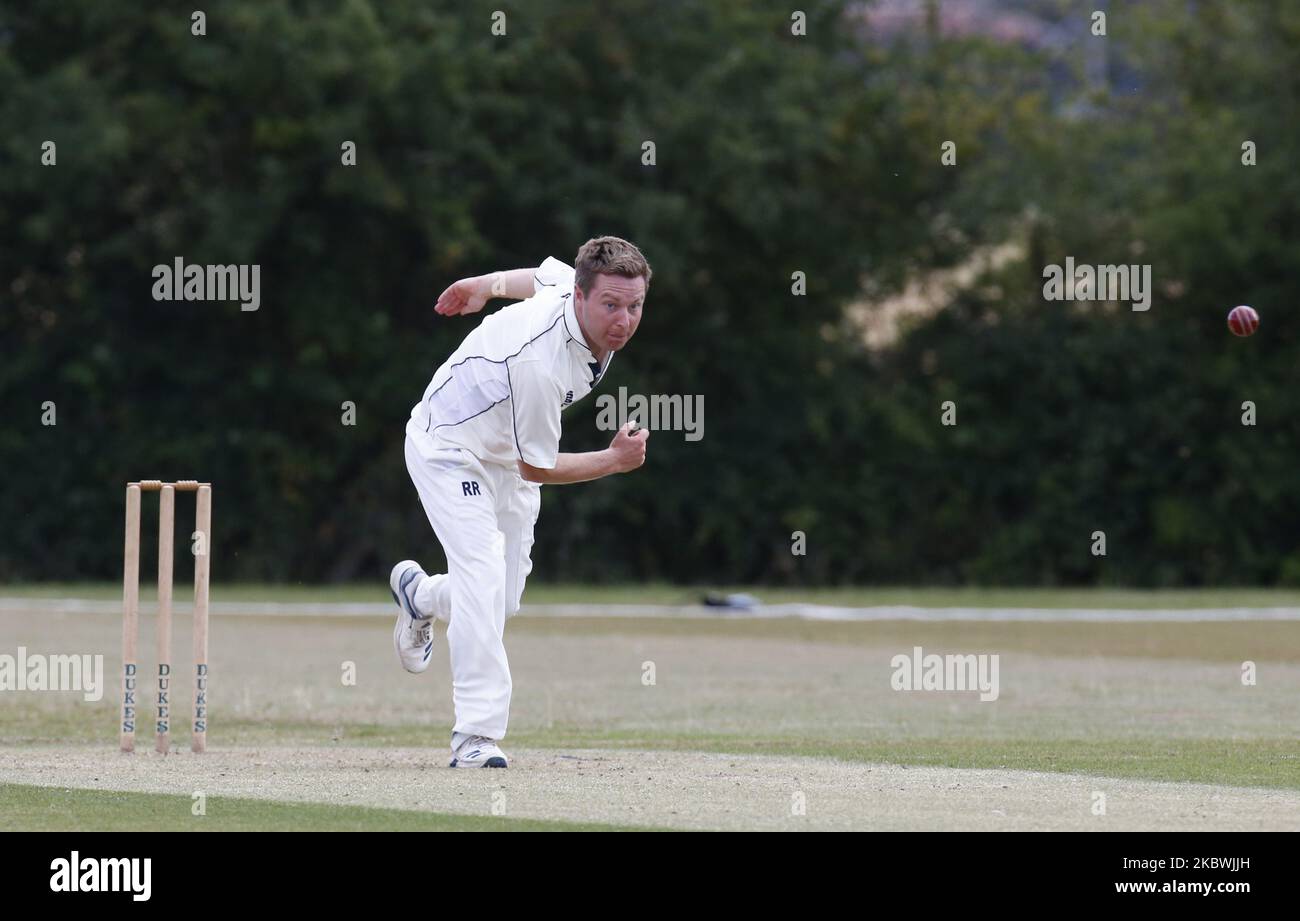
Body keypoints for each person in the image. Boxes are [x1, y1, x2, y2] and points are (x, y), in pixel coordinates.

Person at [391, 236, 652, 767]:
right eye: (611, 305)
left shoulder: (569, 288)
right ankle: (476, 739)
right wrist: (613, 460)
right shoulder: (540, 359)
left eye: (635, 306)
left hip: (503, 453)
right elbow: (538, 466)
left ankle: (420, 596)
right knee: (483, 577)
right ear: (581, 298)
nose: (624, 320)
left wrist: (482, 287)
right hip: (448, 446)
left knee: (500, 598)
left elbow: (538, 276)